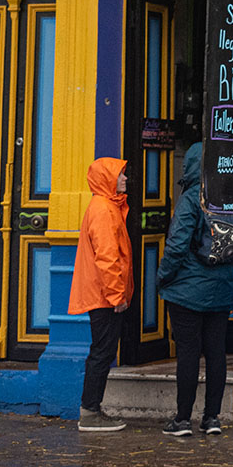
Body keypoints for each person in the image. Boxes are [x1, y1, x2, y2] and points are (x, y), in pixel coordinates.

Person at [157, 142, 233, 437]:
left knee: (188, 354)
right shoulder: (227, 195)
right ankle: (212, 418)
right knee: (216, 353)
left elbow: (177, 245)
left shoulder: (192, 198)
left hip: (187, 292)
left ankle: (181, 419)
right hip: (222, 291)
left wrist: (162, 277)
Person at [68, 157, 134, 432]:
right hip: (105, 296)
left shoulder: (105, 207)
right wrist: (117, 296)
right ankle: (91, 412)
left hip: (102, 294)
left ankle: (92, 409)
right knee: (102, 352)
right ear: (108, 179)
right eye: (120, 175)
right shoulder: (104, 210)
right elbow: (107, 258)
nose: (125, 179)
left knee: (101, 351)